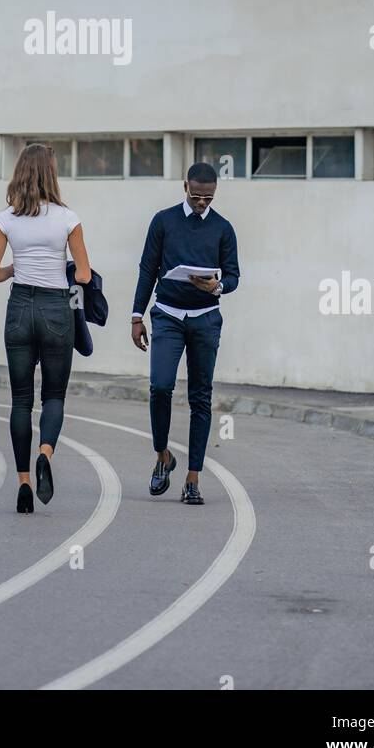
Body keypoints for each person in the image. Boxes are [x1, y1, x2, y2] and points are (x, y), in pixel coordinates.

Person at [0, 143, 91, 513]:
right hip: (54, 309)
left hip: (19, 309)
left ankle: (23, 482)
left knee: (20, 400)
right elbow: (84, 273)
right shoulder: (68, 218)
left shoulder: (5, 219)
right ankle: (46, 451)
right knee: (54, 396)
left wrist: (18, 266)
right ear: (51, 174)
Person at [131, 162, 240, 505]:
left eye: (208, 198)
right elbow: (148, 268)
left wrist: (217, 286)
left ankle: (193, 478)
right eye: (196, 196)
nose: (201, 203)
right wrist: (136, 316)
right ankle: (163, 456)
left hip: (206, 318)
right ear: (184, 187)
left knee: (200, 397)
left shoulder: (223, 228)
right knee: (160, 386)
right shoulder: (163, 221)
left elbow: (234, 275)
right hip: (167, 315)